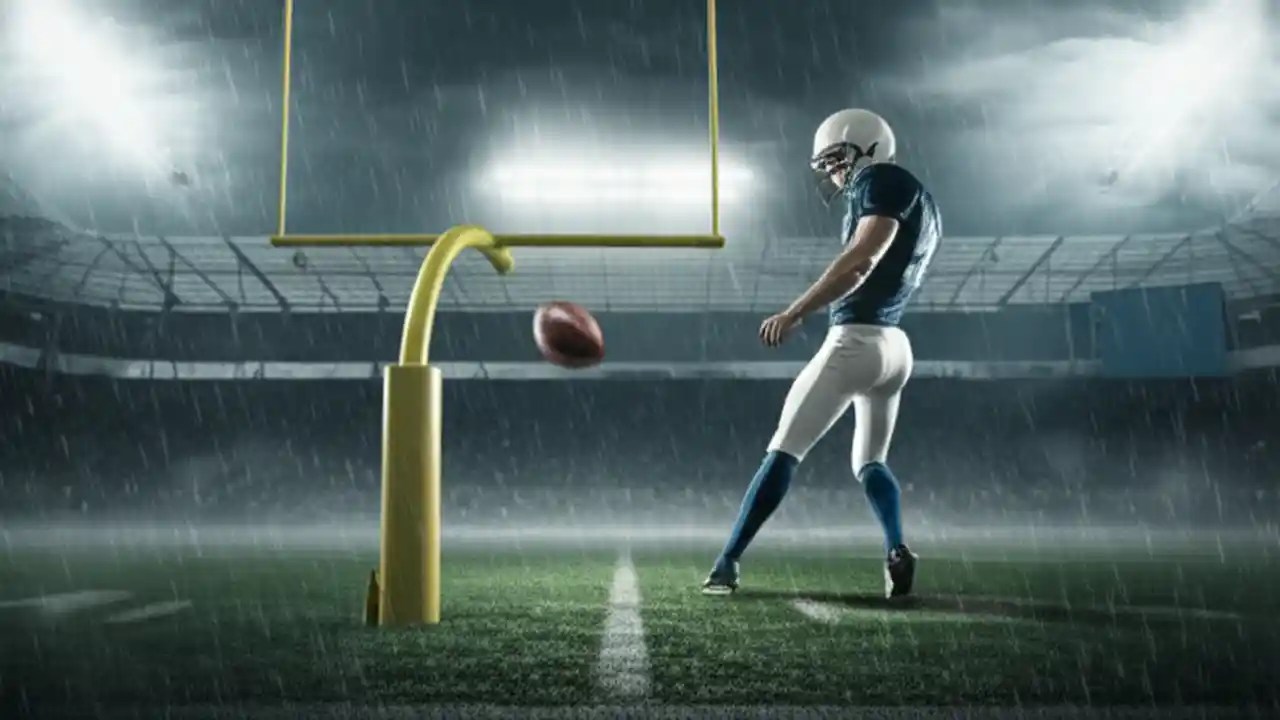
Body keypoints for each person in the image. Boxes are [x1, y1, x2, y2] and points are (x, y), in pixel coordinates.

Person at [702, 108, 943, 599]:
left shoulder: (882, 180)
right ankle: (896, 549)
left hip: (857, 340)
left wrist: (795, 312)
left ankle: (727, 562)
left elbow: (861, 262)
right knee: (870, 461)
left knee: (784, 448)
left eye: (838, 158)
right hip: (895, 346)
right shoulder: (924, 202)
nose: (833, 171)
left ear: (868, 148)